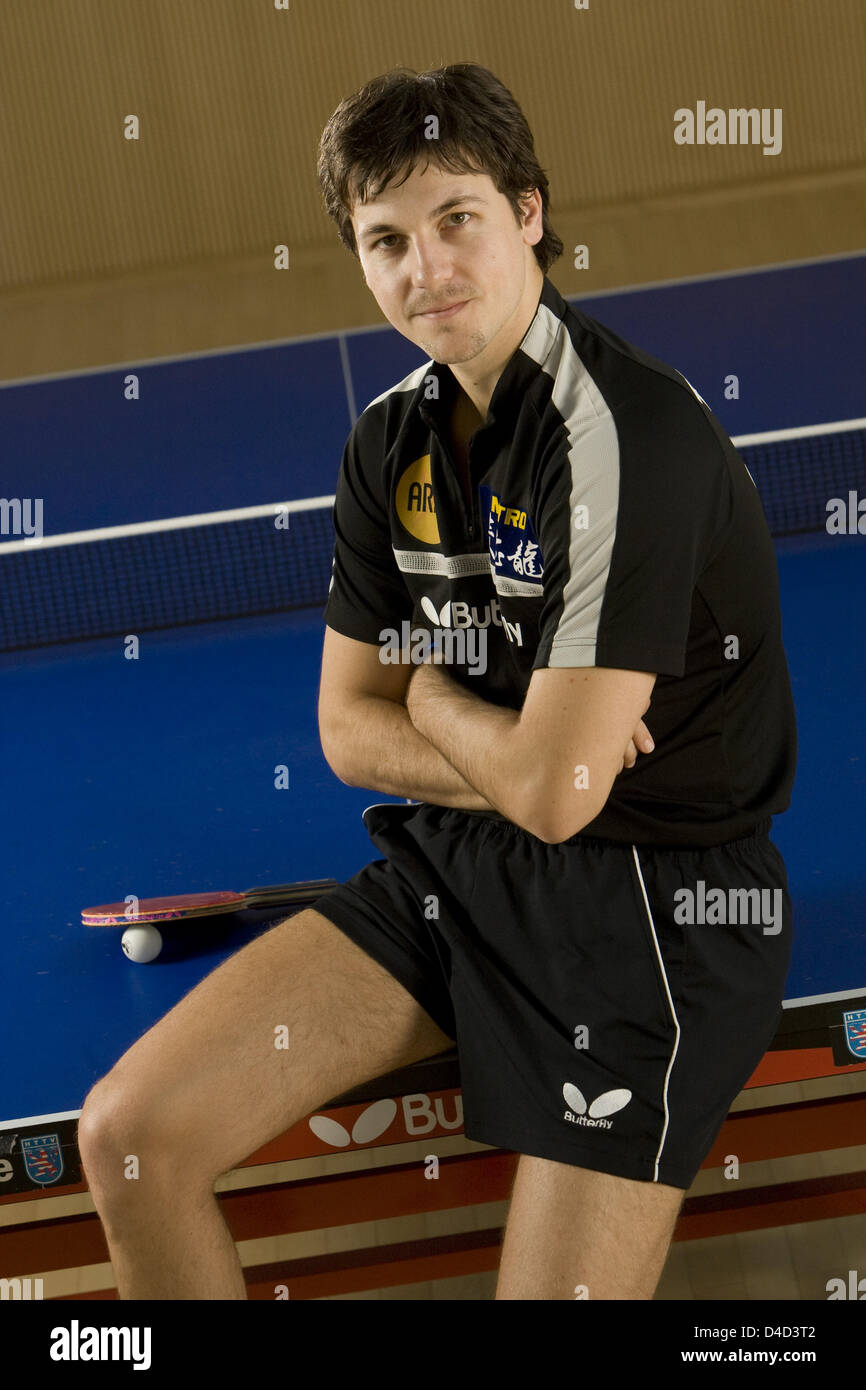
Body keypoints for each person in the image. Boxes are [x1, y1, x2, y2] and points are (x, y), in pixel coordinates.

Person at [78, 63, 797, 1301]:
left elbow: (552, 788)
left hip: (659, 907)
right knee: (129, 1137)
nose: (426, 270)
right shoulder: (387, 442)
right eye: (385, 240)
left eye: (455, 218)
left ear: (527, 211)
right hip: (461, 869)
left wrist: (436, 700)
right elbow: (345, 733)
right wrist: (506, 756)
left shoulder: (623, 440)